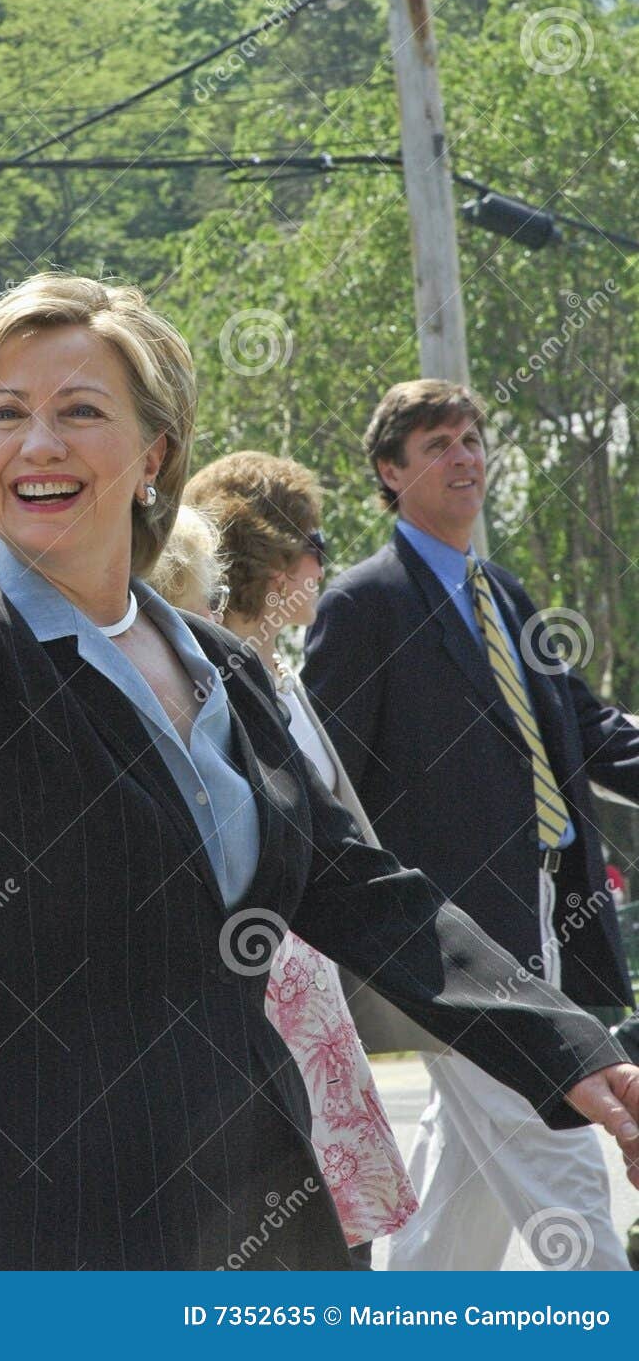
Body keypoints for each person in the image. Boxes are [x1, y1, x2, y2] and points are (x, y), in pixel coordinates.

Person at [0, 274, 639, 1272]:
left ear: (153, 453)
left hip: (261, 1196)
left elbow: (356, 887)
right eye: (3, 414)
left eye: (79, 411)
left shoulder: (225, 665)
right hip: (41, 1212)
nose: (37, 443)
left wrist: (561, 1040)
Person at [302, 377, 639, 1271]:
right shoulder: (362, 605)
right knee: (555, 1138)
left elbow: (587, 727)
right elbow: (321, 780)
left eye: (472, 440)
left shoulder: (506, 595)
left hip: (549, 911)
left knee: (460, 1194)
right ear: (390, 472)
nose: (465, 458)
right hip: (450, 942)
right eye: (439, 445)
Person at [151, 483, 416, 1267]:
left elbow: (334, 841)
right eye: (312, 543)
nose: (320, 561)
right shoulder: (199, 680)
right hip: (254, 992)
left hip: (311, 981)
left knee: (343, 1233)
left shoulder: (275, 675)